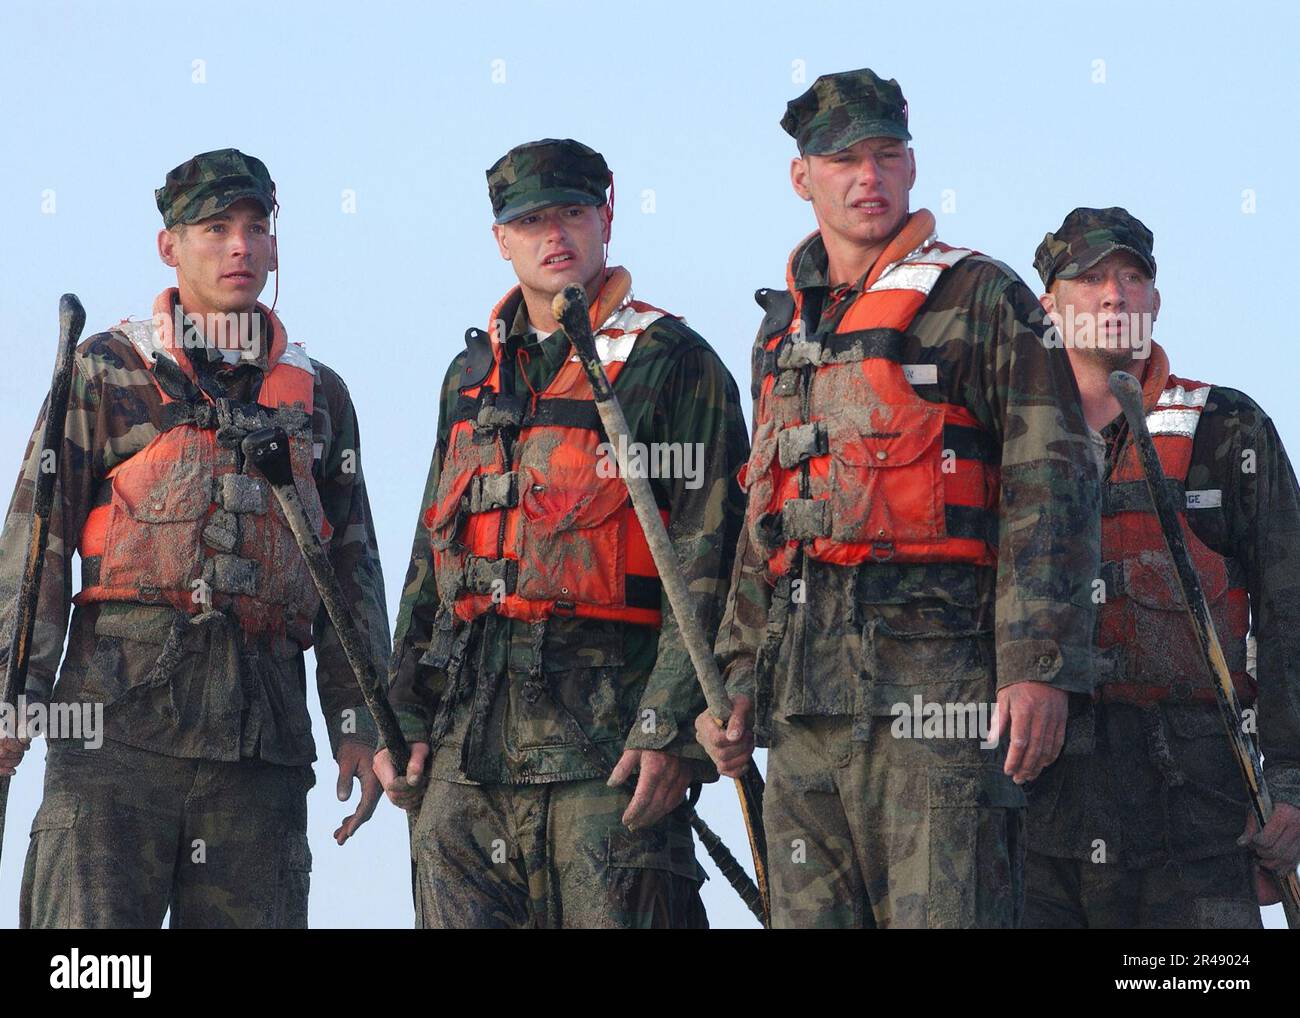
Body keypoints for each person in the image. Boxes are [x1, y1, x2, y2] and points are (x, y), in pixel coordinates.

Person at [696, 68, 1101, 928]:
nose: (867, 177)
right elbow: (764, 520)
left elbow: (1052, 485)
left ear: (913, 168)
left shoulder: (983, 297)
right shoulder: (781, 332)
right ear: (802, 178)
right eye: (843, 159)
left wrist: (1038, 668)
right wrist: (734, 675)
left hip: (941, 702)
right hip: (803, 711)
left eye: (886, 155)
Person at [0, 148, 390, 927]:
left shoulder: (321, 400)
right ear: (170, 246)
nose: (240, 246)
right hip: (115, 747)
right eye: (216, 228)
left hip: (262, 754)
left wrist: (359, 721)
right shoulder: (106, 370)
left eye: (255, 227)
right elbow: (35, 546)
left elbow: (350, 573)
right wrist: (10, 703)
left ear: (275, 245)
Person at [374, 138, 749, 928]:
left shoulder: (672, 363)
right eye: (532, 220)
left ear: (606, 216)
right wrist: (401, 714)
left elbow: (712, 556)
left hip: (608, 758)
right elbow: (428, 564)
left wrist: (670, 727)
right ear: (501, 239)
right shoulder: (469, 380)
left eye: (573, 213)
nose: (556, 236)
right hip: (467, 762)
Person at [1023, 206, 1300, 928]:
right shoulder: (1000, 438)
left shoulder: (1227, 428)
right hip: (1037, 822)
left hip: (1200, 810)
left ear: (1155, 300)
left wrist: (1294, 784)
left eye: (1133, 276)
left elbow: (1290, 609)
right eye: (1089, 279)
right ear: (1049, 306)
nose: (1114, 294)